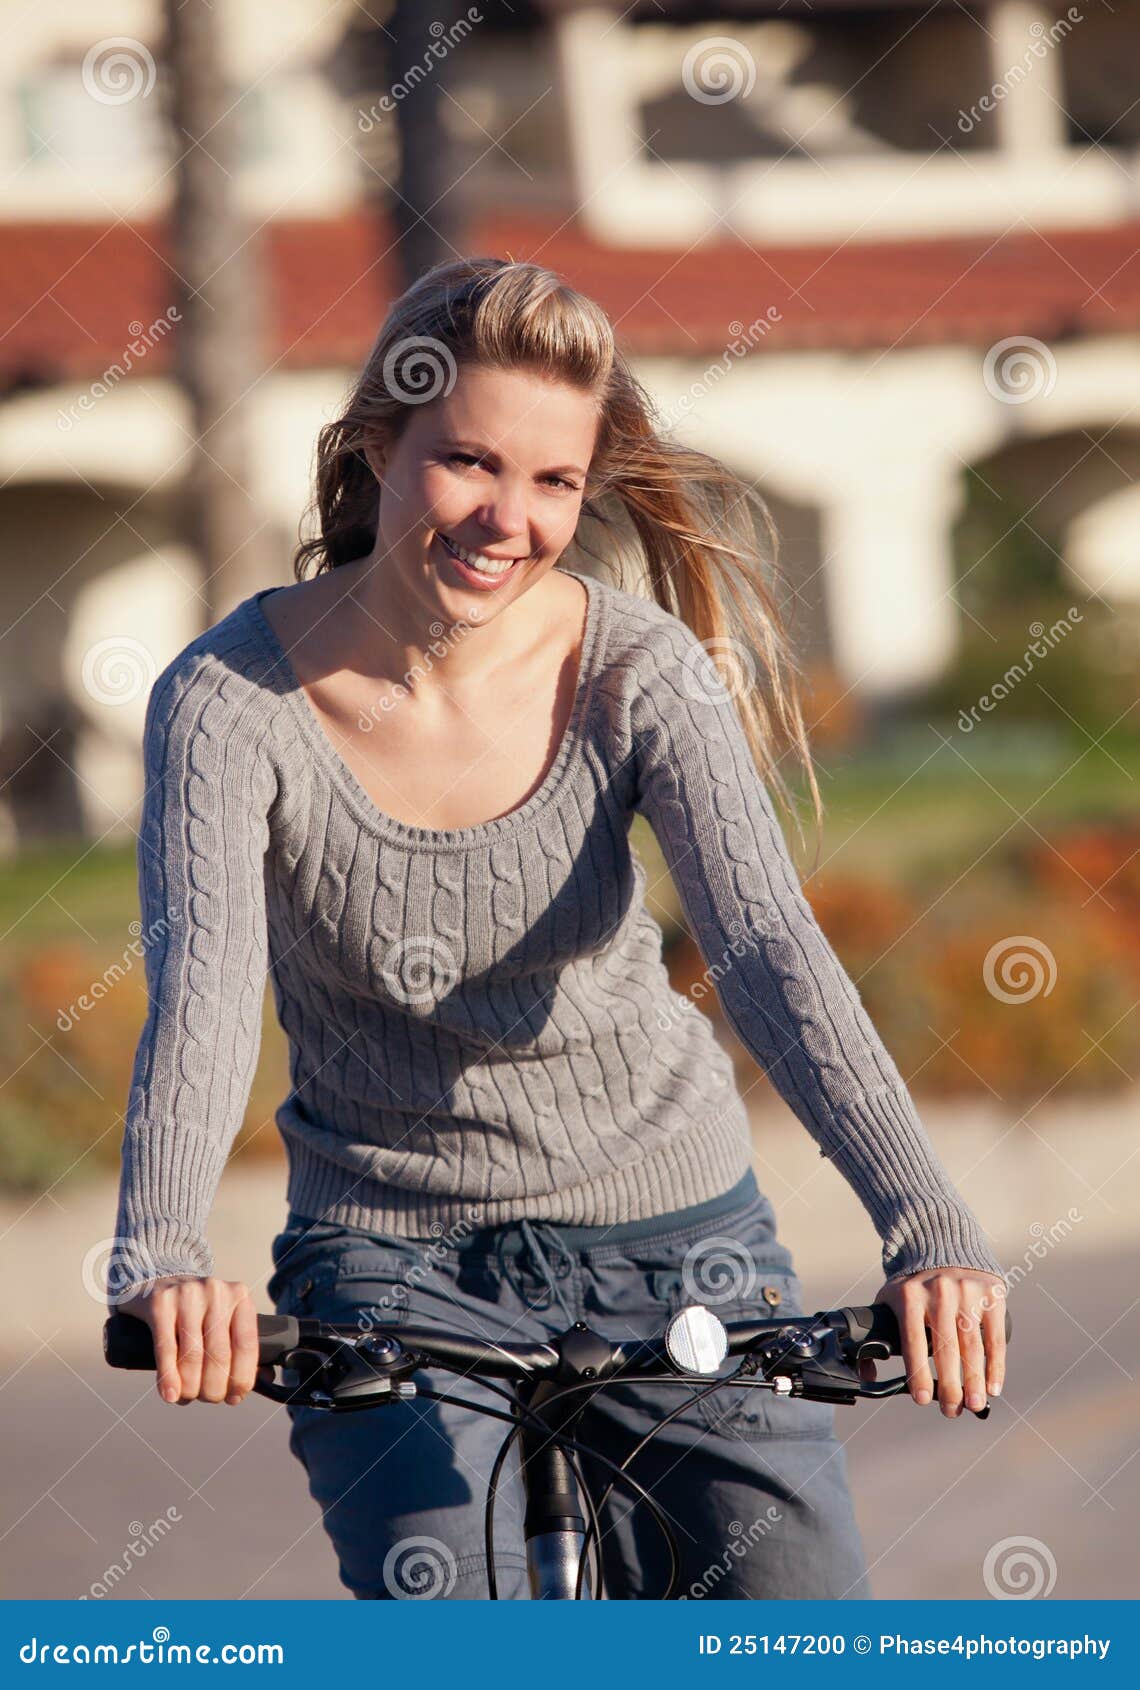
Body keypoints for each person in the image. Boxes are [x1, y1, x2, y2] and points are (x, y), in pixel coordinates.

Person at [111, 256, 1007, 1601]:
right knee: (451, 1625)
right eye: (469, 462)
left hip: (675, 1236)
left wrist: (929, 1224)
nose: (507, 519)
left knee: (803, 1621)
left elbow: (767, 952)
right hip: (392, 1264)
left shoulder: (640, 673)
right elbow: (205, 996)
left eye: (554, 483)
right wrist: (167, 1253)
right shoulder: (229, 701)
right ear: (376, 445)